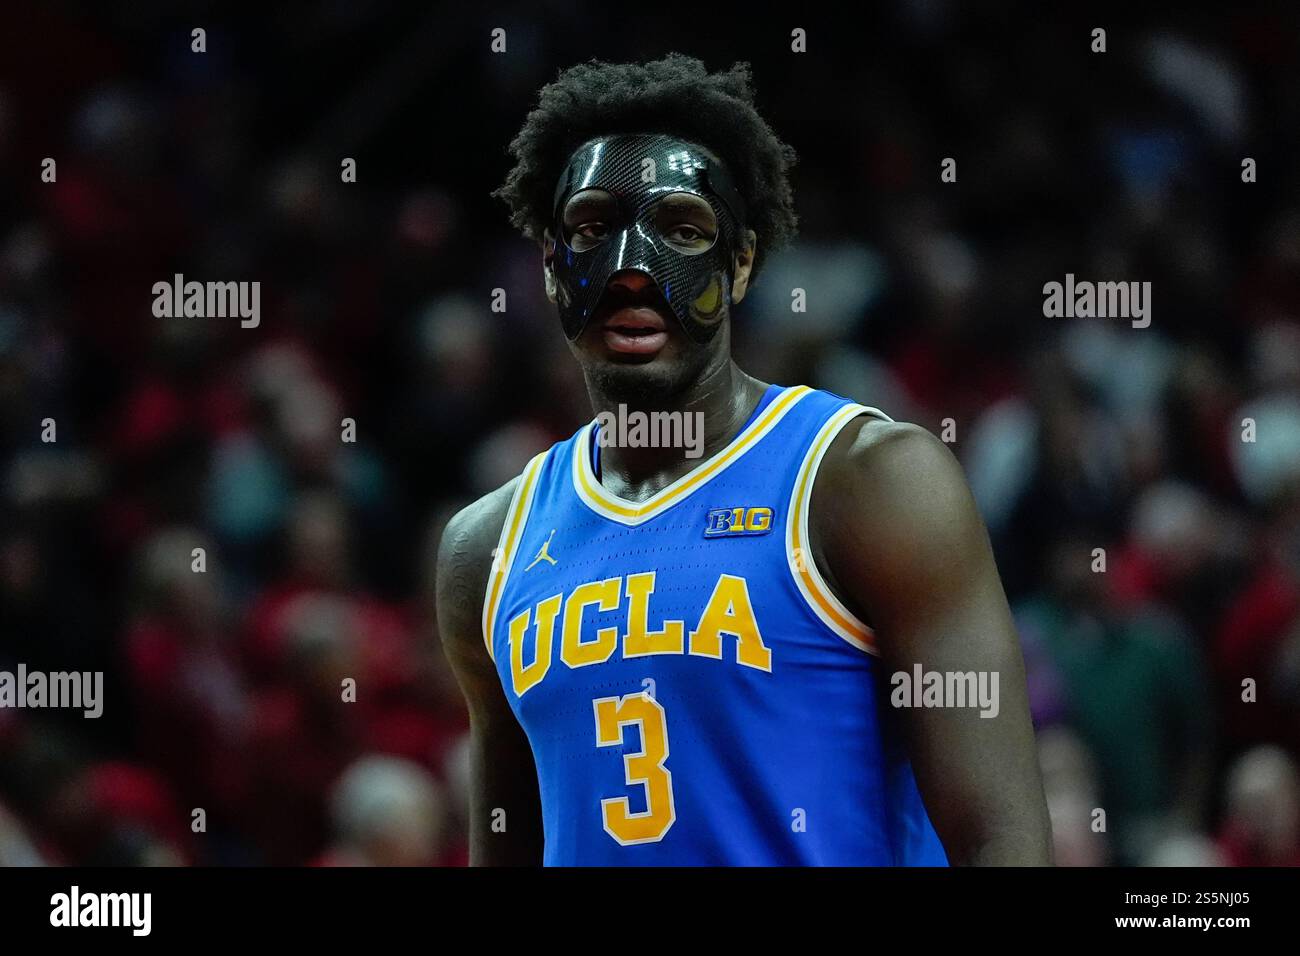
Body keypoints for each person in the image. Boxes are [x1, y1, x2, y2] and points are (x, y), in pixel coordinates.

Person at [436, 55, 1050, 865]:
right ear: (551, 265)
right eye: (592, 227)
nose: (631, 270)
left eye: (681, 229)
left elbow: (1002, 841)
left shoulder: (865, 481)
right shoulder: (486, 548)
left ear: (742, 261)